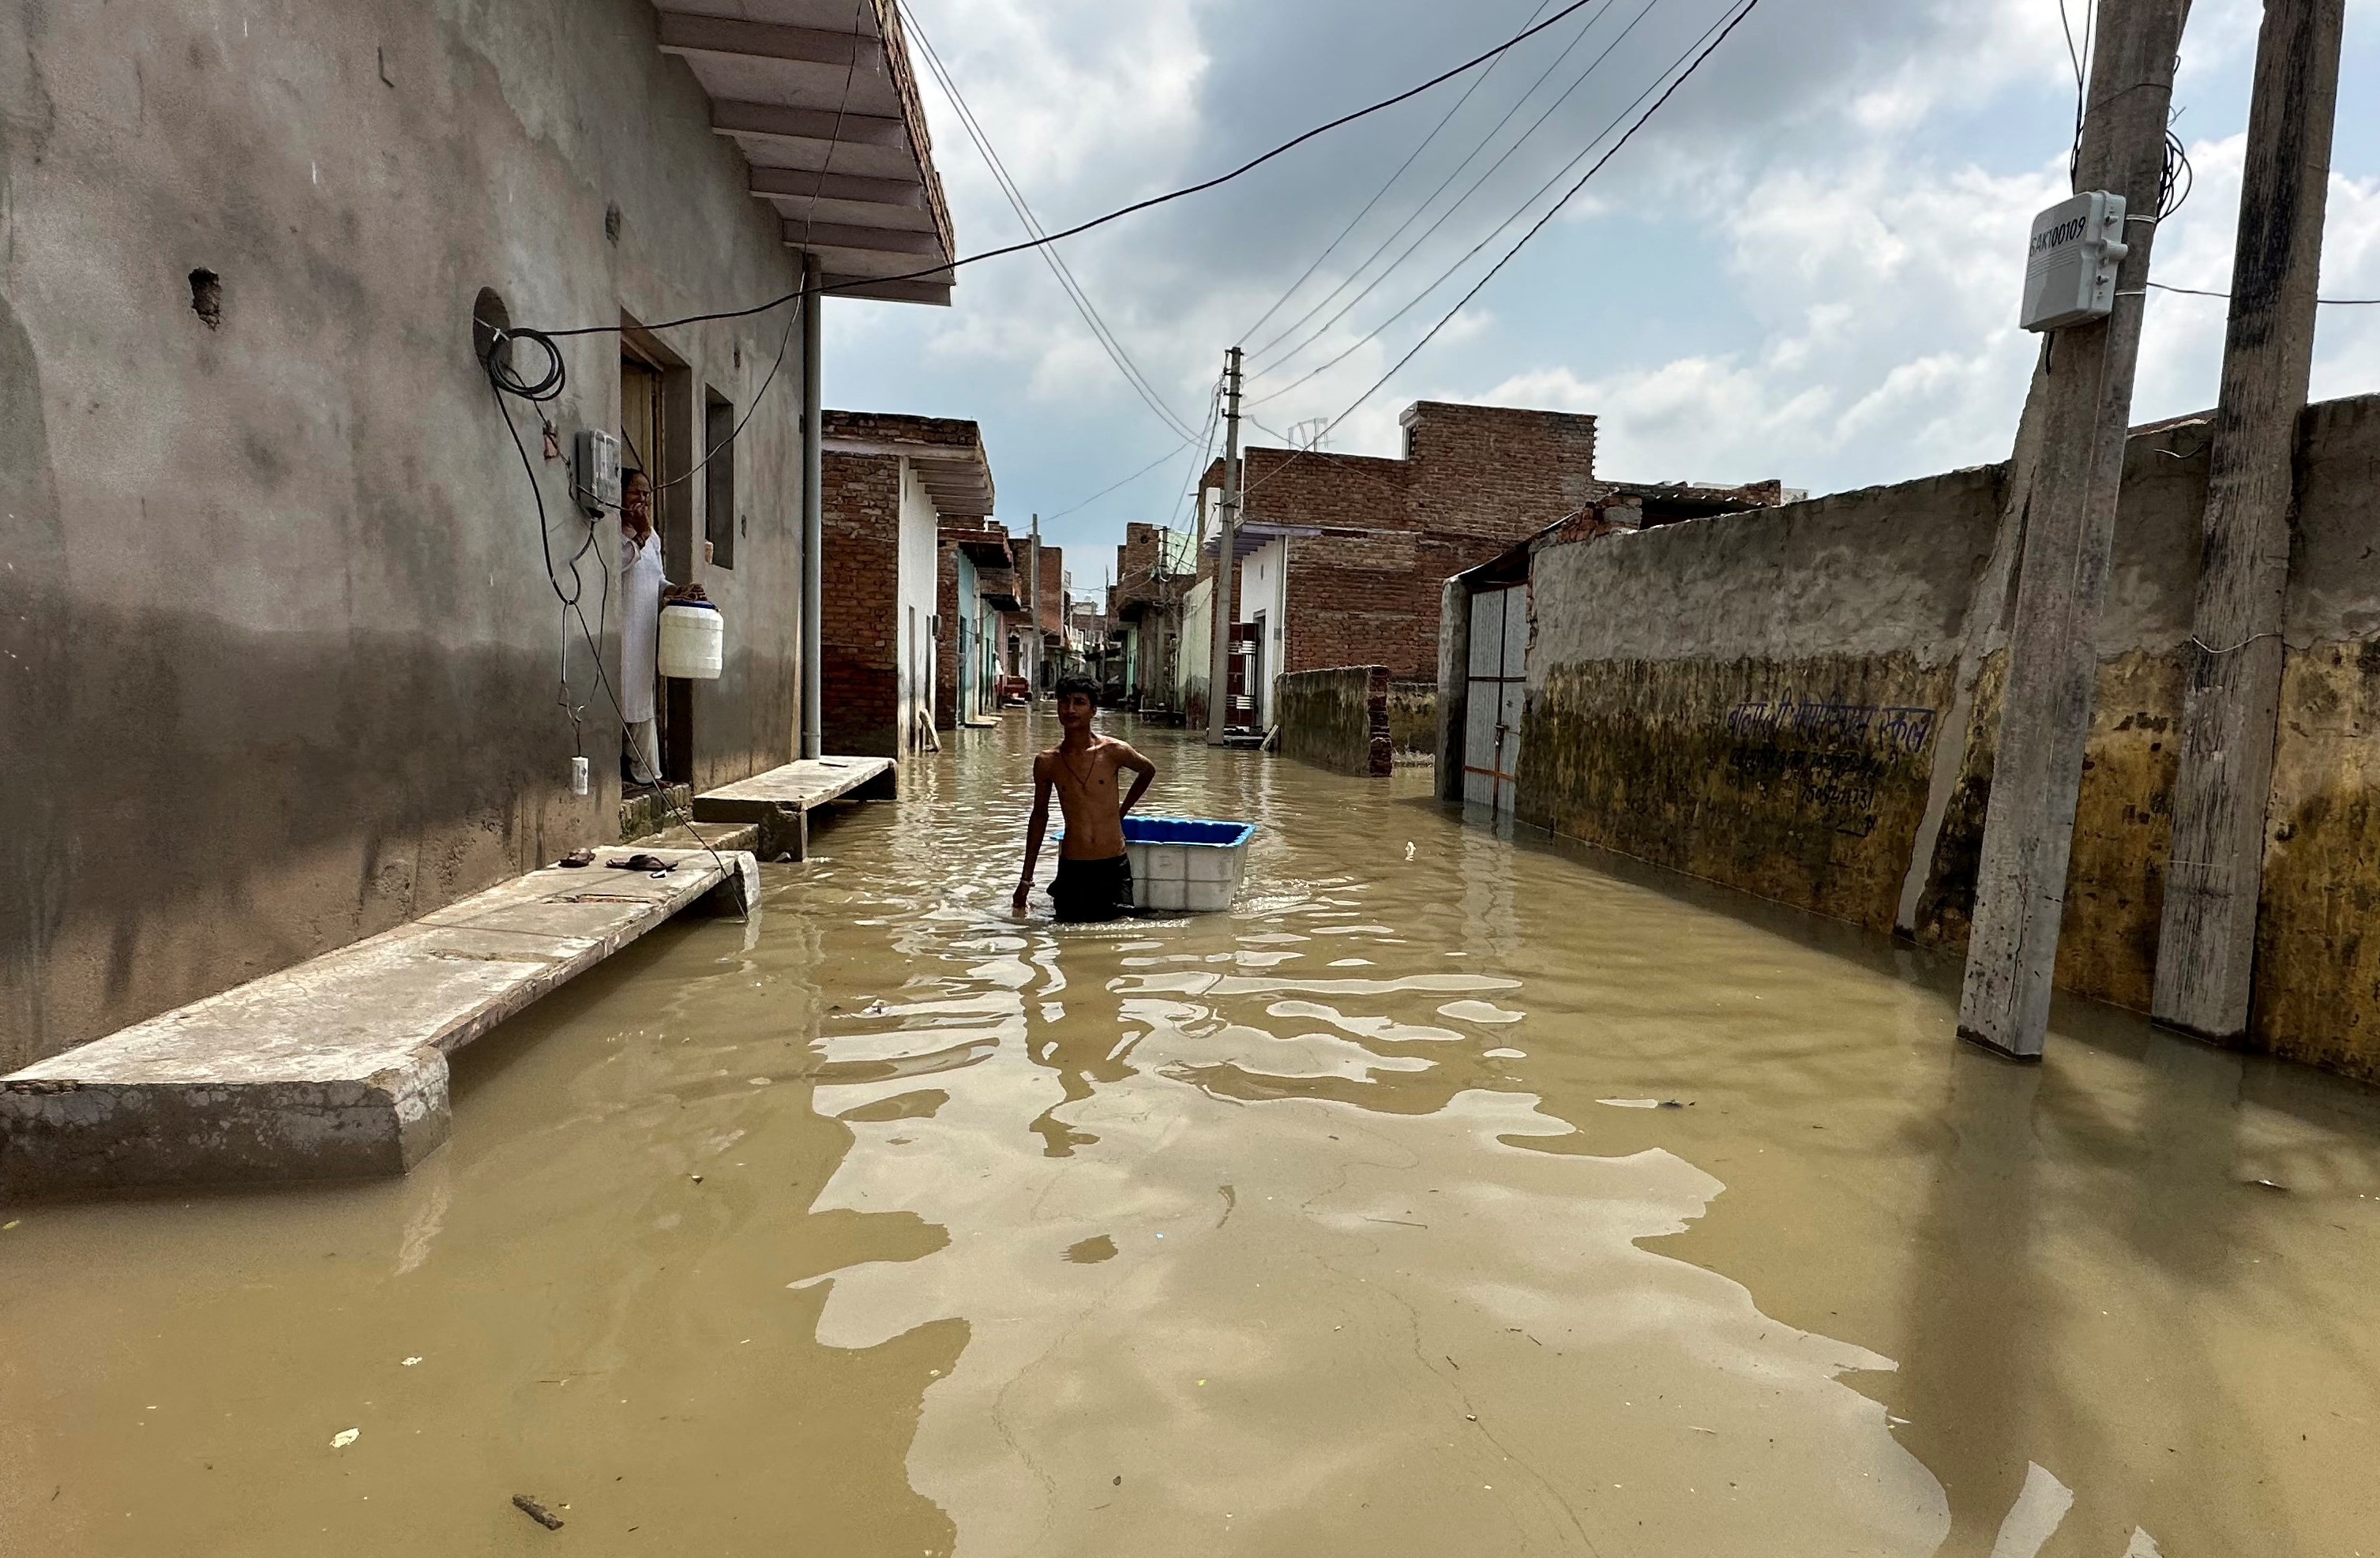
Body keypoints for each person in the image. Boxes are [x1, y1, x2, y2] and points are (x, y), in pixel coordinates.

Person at [1014, 677, 1157, 922]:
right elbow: (1039, 817)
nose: (1070, 709)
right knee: (1068, 946)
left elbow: (1148, 770)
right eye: (1064, 702)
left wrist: (1120, 812)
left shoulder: (1114, 751)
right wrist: (1025, 881)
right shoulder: (1048, 762)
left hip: (1113, 865)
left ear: (1093, 711)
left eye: (1079, 702)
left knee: (1117, 938)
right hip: (1073, 868)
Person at [618, 469, 667, 788]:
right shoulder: (613, 532)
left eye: (647, 494)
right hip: (619, 630)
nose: (642, 500)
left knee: (640, 699)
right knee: (618, 695)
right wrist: (638, 537)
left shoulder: (654, 539)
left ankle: (646, 774)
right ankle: (612, 776)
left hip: (644, 629)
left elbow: (657, 580)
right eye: (635, 493)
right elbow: (616, 564)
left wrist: (677, 591)